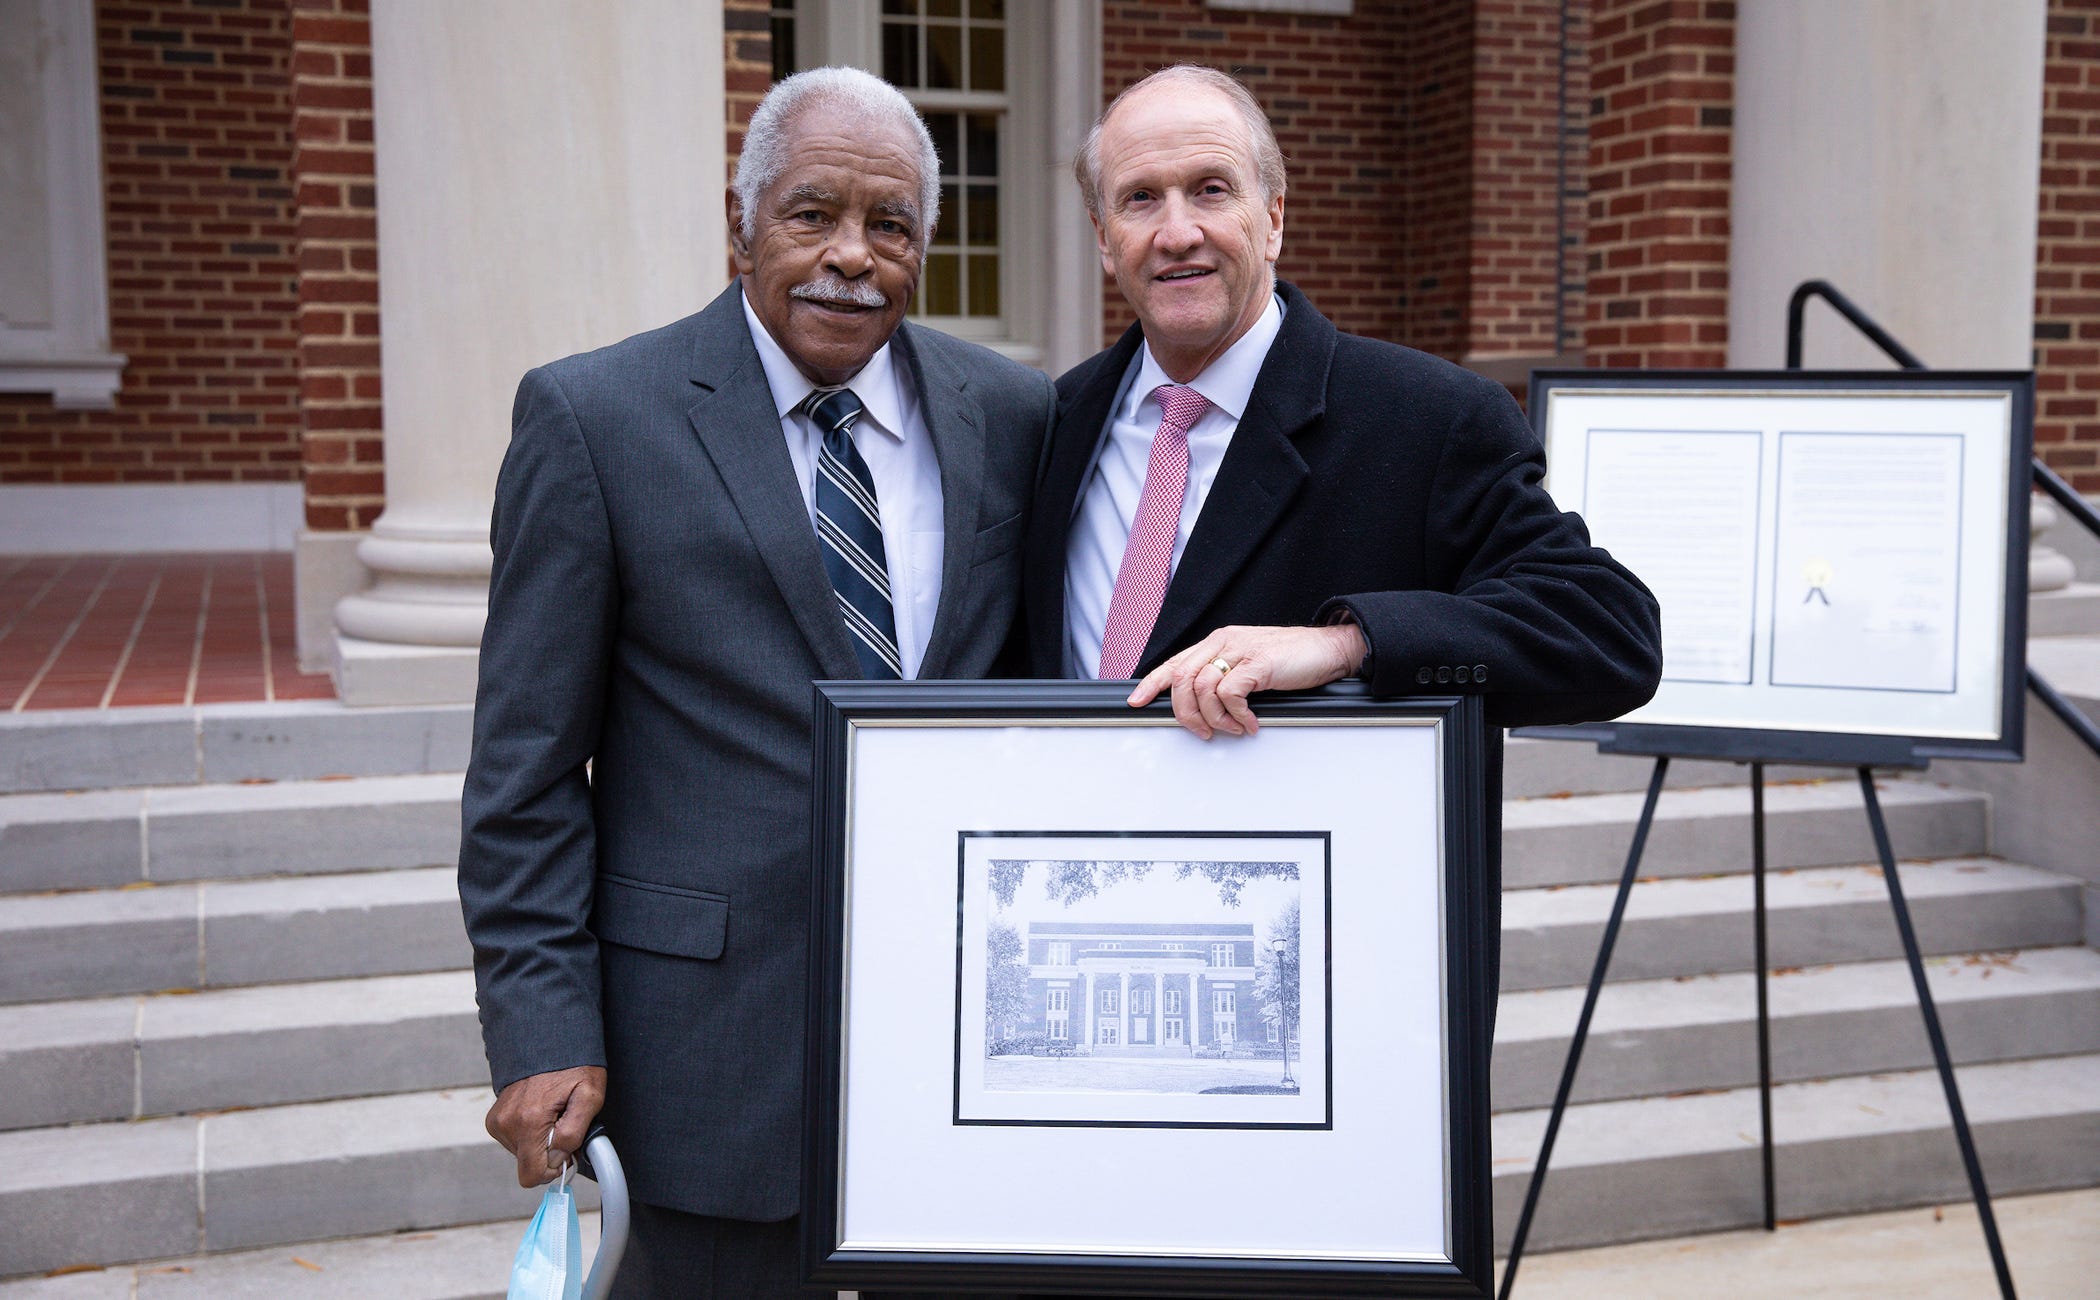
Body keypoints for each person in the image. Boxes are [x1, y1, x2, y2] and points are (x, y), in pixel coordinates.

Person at [458, 67, 1053, 1298]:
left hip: (959, 1054)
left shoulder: (1012, 412)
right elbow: (524, 772)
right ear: (740, 225)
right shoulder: (594, 417)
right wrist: (542, 1023)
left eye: (889, 225)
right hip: (705, 1061)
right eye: (811, 213)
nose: (852, 256)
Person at [1020, 65, 1663, 1012]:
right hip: (1072, 951)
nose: (1177, 231)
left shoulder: (1428, 420)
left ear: (1273, 216)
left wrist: (1346, 642)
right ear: (1105, 242)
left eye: (1211, 189)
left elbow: (1611, 632)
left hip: (1334, 993)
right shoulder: (1044, 426)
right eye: (1139, 200)